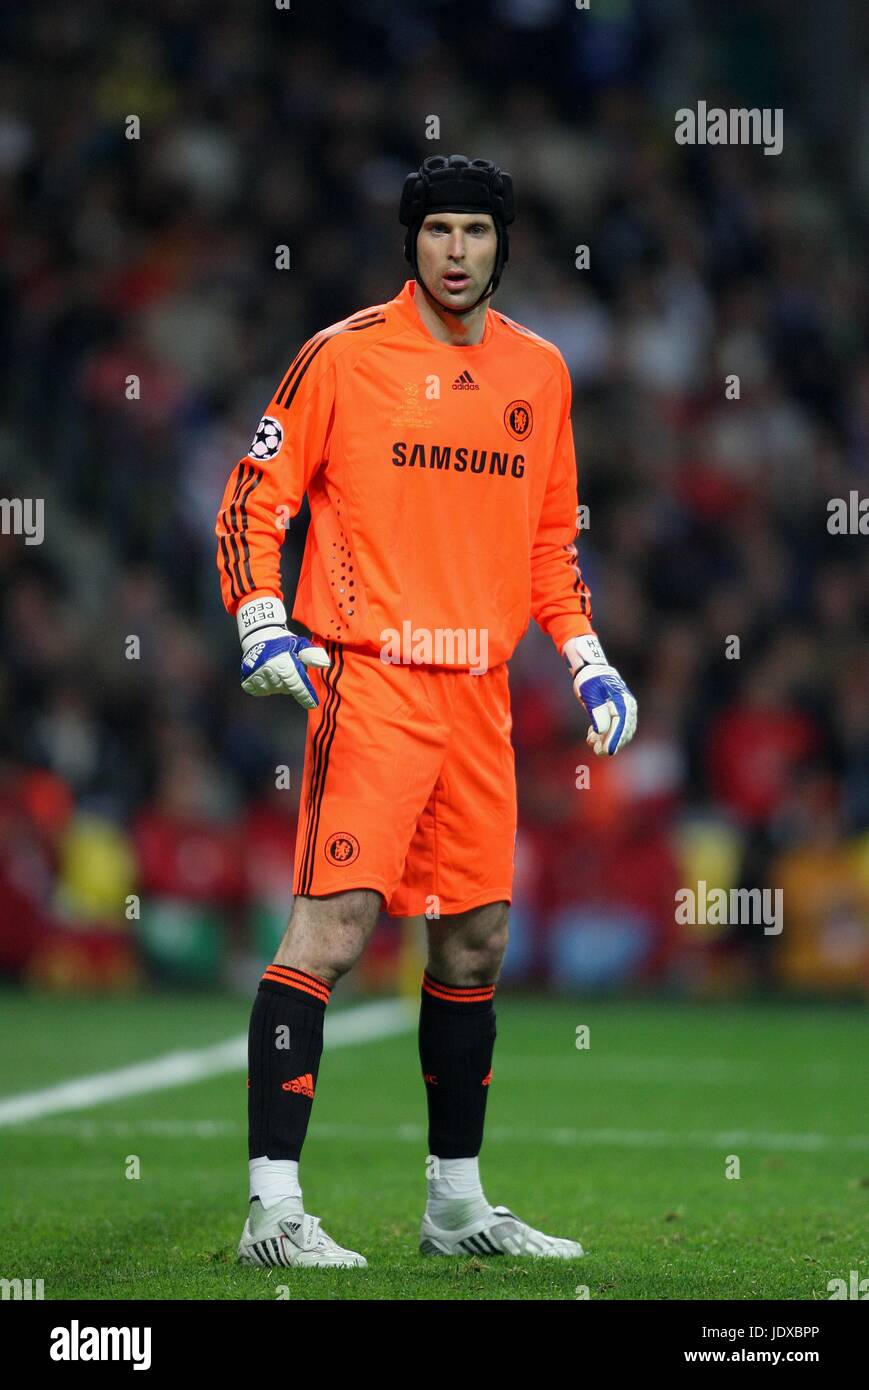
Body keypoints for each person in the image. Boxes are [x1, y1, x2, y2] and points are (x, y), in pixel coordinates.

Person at [215, 154, 637, 1269]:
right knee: (335, 927)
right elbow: (255, 497)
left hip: (479, 694)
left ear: (503, 244)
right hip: (374, 677)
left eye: (477, 231)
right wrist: (261, 619)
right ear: (411, 243)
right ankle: (272, 1209)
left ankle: (454, 1206)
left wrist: (587, 657)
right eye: (438, 230)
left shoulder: (539, 374)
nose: (457, 250)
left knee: (477, 938)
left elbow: (550, 544)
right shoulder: (343, 355)